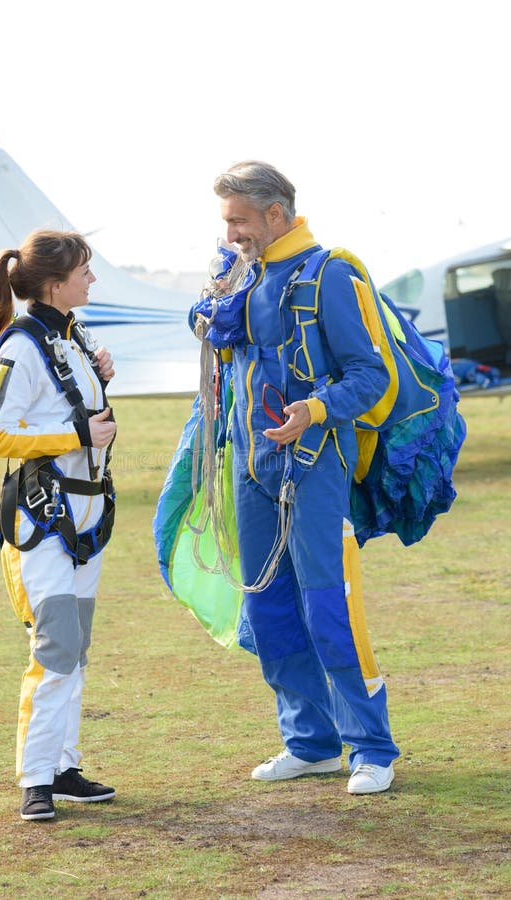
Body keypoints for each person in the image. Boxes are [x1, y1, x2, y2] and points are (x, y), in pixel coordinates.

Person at [193, 161, 400, 794]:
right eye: (226, 221)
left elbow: (371, 376)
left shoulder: (330, 275)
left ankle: (370, 747)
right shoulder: (241, 279)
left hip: (314, 466)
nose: (230, 233)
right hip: (254, 466)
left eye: (240, 220)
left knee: (325, 604)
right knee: (268, 603)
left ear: (276, 214)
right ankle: (309, 742)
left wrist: (314, 410)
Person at [0, 230, 118, 820]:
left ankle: (62, 767)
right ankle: (36, 778)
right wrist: (79, 435)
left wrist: (101, 378)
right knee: (55, 646)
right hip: (45, 520)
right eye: (85, 272)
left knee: (75, 650)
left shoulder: (70, 336)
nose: (93, 280)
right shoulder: (21, 346)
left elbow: (65, 406)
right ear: (56, 284)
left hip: (86, 516)